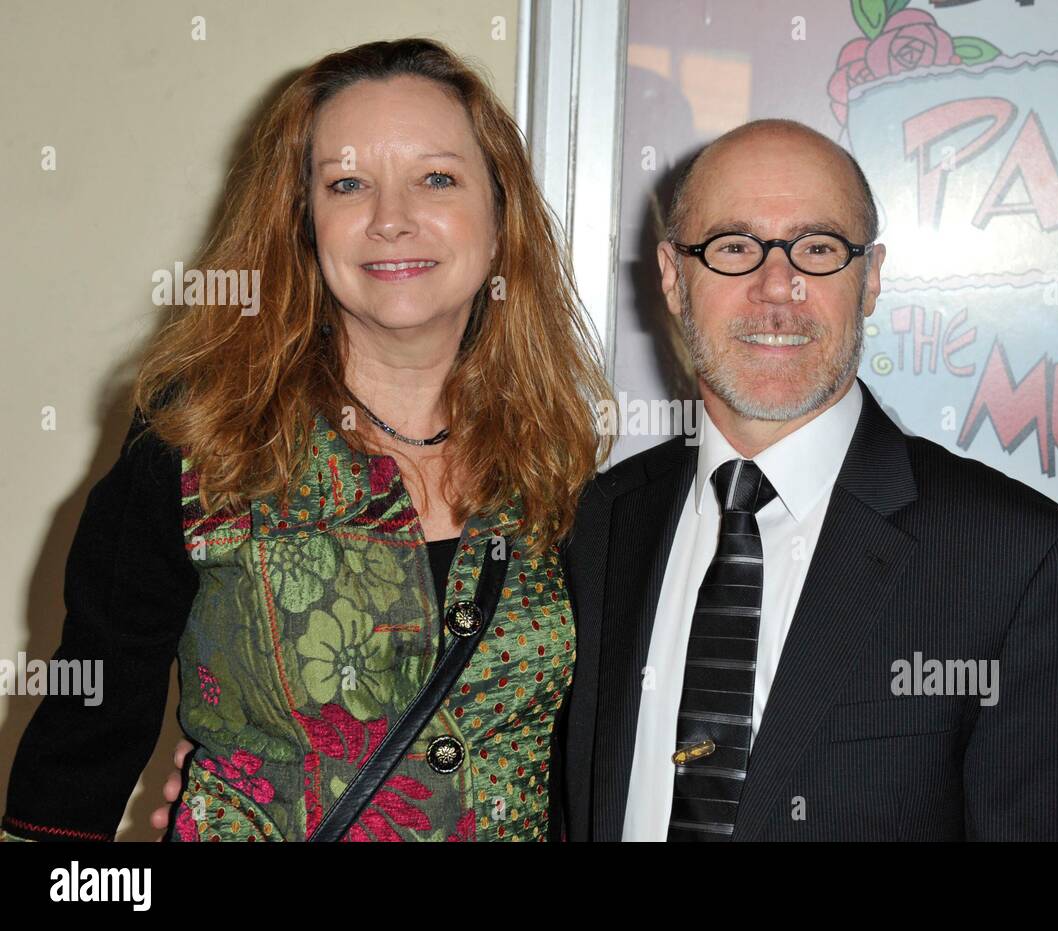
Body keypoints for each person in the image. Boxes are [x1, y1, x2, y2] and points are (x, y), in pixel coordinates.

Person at [2, 37, 610, 843]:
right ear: (303, 228)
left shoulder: (563, 460)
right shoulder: (199, 444)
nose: (392, 220)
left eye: (437, 178)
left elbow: (589, 765)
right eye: (348, 184)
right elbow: (79, 754)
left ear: (500, 222)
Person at [559, 118, 1058, 841]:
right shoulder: (601, 523)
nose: (779, 287)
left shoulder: (1020, 563)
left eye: (818, 247)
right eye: (735, 246)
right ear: (675, 280)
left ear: (869, 279)